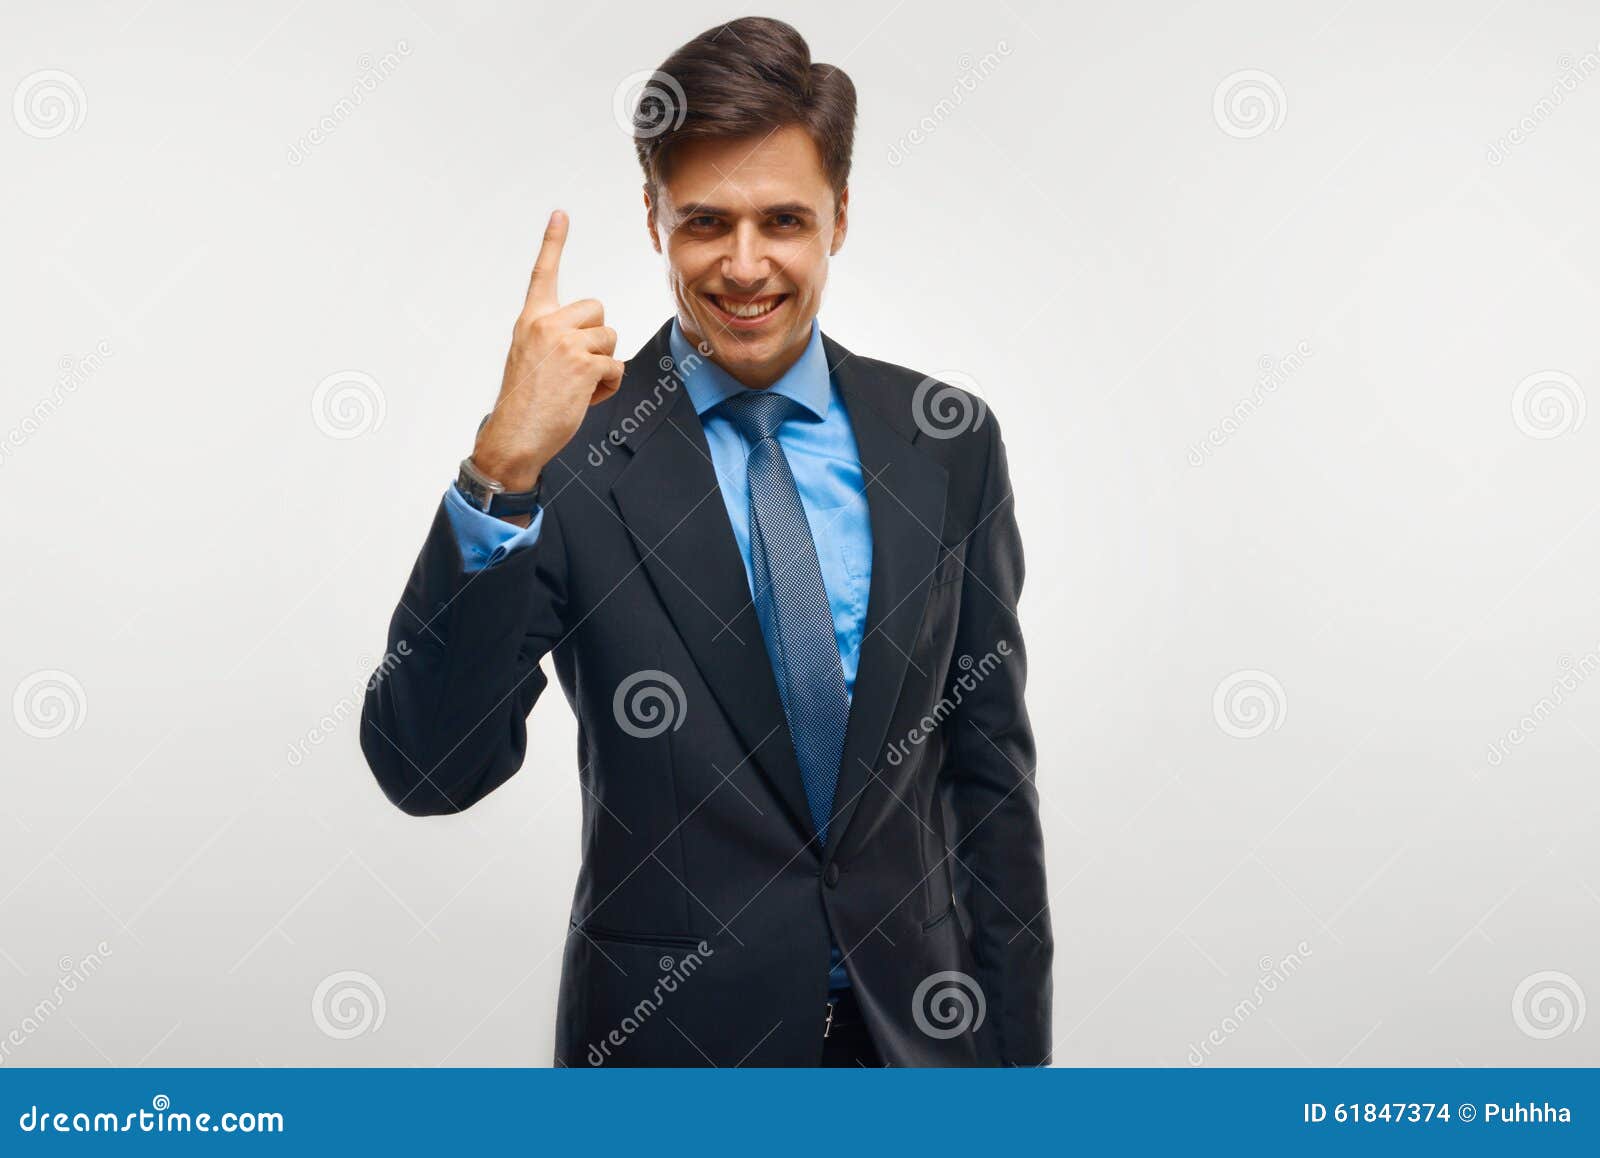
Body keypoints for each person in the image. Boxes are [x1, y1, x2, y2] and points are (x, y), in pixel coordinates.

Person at [360, 15, 1051, 1067]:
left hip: (921, 1055)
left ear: (840, 218)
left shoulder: (944, 441)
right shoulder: (575, 457)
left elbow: (988, 777)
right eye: (703, 222)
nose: (743, 266)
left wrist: (1018, 1076)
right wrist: (500, 467)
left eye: (782, 219)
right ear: (652, 221)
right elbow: (428, 767)